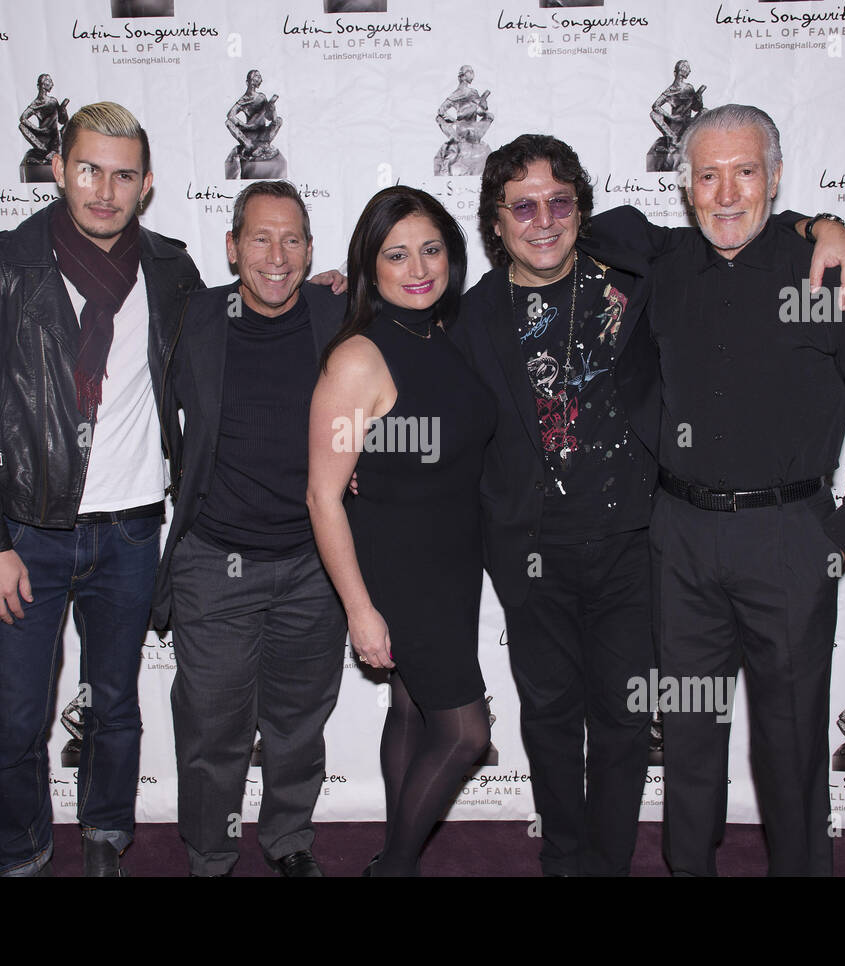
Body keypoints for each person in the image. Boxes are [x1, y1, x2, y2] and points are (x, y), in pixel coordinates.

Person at [450, 133, 845, 876]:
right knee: (550, 719)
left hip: (635, 542)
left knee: (624, 722)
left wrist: (822, 223)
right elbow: (417, 383)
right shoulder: (471, 316)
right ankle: (565, 860)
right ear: (495, 221)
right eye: (523, 206)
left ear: (582, 208)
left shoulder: (634, 264)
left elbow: (734, 221)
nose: (543, 219)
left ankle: (609, 864)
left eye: (560, 201)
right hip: (530, 551)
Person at [642, 104, 845, 875]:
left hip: (789, 541)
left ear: (776, 178)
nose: (726, 194)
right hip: (682, 542)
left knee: (792, 747)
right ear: (685, 186)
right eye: (707, 176)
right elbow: (582, 235)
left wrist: (827, 544)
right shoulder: (661, 267)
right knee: (690, 744)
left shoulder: (831, 273)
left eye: (745, 172)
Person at [0, 101, 201, 877]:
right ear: (58, 169)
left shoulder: (172, 269)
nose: (103, 189)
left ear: (146, 185)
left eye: (123, 175)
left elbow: (234, 338)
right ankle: (21, 856)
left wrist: (322, 299)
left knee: (114, 704)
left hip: (130, 530)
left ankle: (104, 839)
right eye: (88, 169)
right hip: (28, 531)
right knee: (19, 715)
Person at [150, 180, 347, 878]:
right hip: (215, 559)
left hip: (314, 565)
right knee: (212, 727)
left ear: (311, 250)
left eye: (292, 238)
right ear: (232, 247)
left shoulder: (340, 312)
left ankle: (289, 841)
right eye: (260, 238)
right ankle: (210, 854)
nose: (277, 255)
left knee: (299, 723)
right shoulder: (190, 319)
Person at [307, 186, 495, 876]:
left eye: (432, 248)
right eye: (396, 254)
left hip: (452, 560)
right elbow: (323, 495)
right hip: (399, 568)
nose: (418, 267)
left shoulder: (444, 333)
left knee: (414, 709)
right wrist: (360, 608)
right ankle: (392, 868)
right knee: (466, 732)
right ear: (369, 265)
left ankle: (399, 857)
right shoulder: (359, 357)